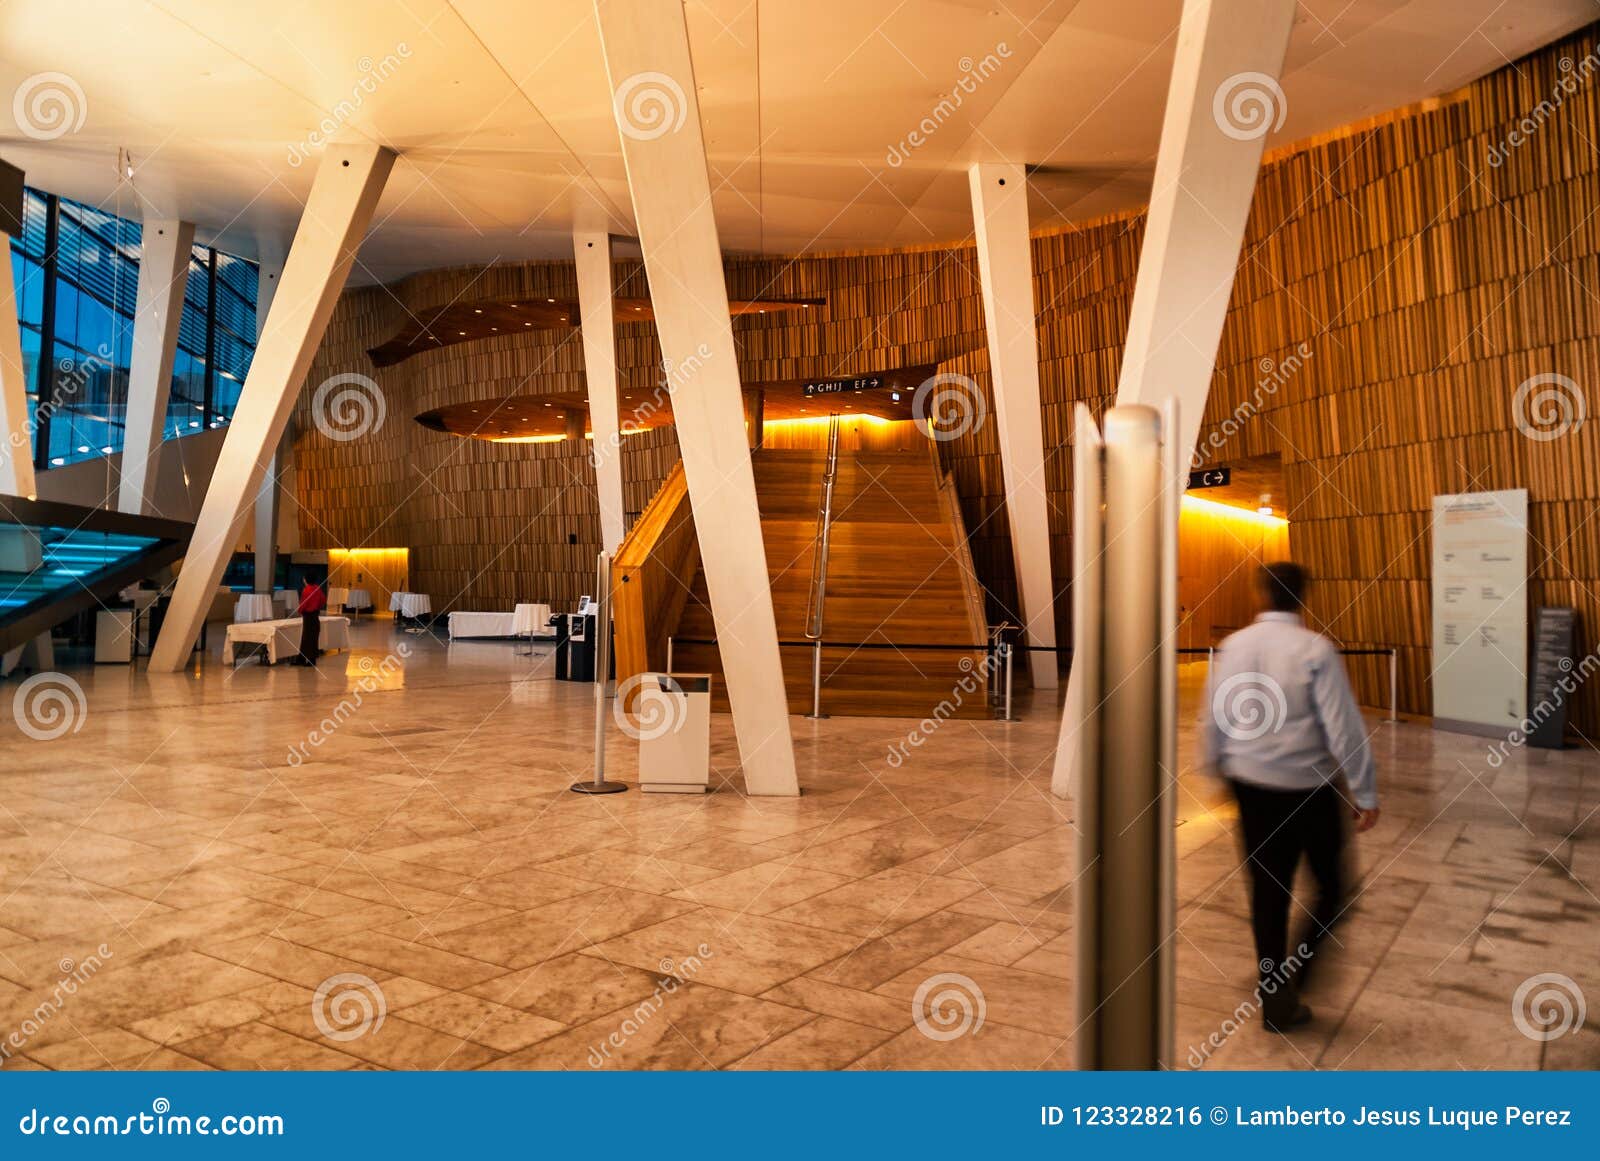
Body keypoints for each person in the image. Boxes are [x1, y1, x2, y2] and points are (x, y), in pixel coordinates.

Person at [1198, 561, 1379, 1033]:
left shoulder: (1233, 646)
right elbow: (1342, 725)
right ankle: (1295, 974)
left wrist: (1215, 768)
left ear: (1262, 595)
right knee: (1333, 888)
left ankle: (1275, 993)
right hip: (1309, 788)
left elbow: (1214, 714)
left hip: (1251, 785)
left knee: (1268, 893)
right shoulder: (1315, 649)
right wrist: (1364, 789)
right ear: (1303, 597)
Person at [294, 578, 326, 666]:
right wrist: (317, 607)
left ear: (306, 580)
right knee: (313, 637)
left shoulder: (307, 590)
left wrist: (300, 611)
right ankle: (305, 659)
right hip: (315, 615)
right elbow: (323, 600)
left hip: (308, 616)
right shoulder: (317, 588)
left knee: (307, 638)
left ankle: (308, 660)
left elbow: (303, 603)